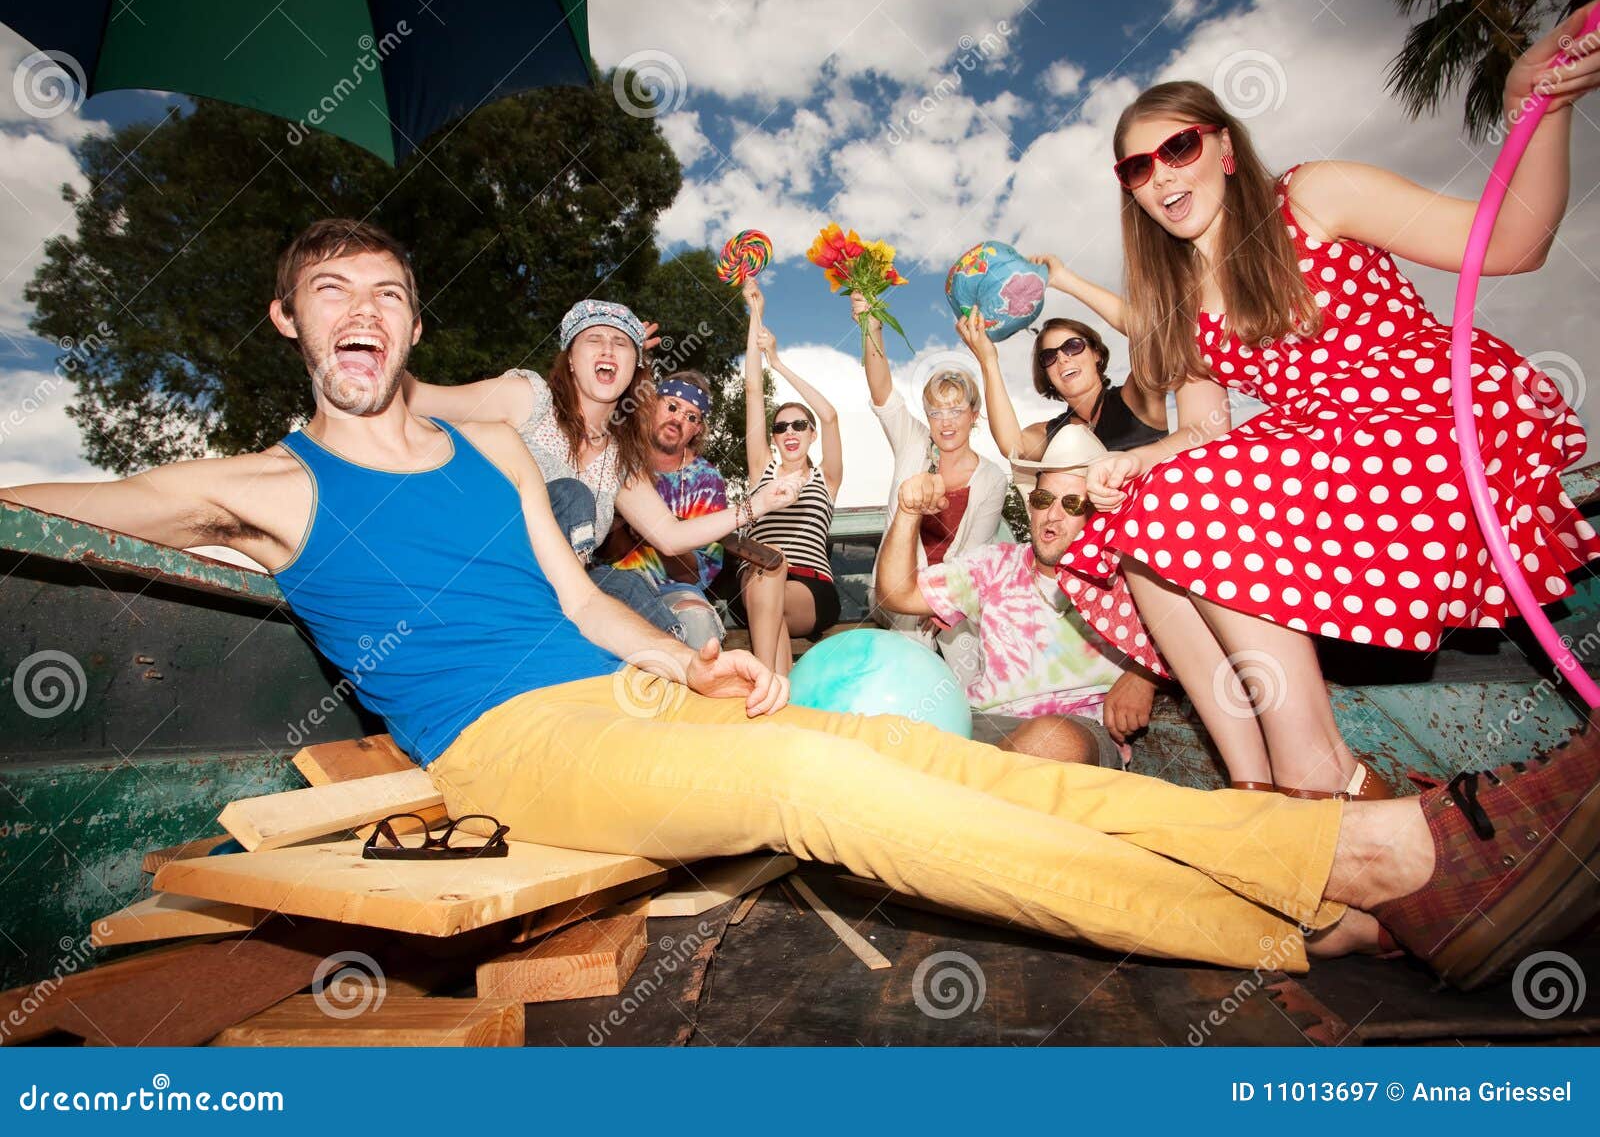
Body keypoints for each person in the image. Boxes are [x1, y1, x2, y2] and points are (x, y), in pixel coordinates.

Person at [7, 216, 1599, 994]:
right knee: (818, 782)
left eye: (389, 293)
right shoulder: (267, 482)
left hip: (619, 698)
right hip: (498, 744)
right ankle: (1363, 865)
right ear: (291, 320)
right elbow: (59, 505)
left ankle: (1308, 891)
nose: (363, 315)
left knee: (935, 761)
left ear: (413, 321)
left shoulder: (489, 458)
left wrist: (690, 667)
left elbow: (588, 597)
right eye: (332, 296)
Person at [1059, 4, 1600, 800]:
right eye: (1137, 168)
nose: (1162, 175)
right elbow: (1206, 432)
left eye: (1177, 147)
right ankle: (1253, 789)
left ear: (1224, 149)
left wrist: (1541, 105)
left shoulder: (1312, 196)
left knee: (1194, 499)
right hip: (1325, 447)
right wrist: (1132, 459)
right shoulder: (1181, 305)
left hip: (1428, 411)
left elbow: (1516, 243)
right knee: (1137, 524)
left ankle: (1322, 774)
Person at [401, 300, 798, 639]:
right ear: (570, 359)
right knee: (571, 496)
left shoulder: (620, 459)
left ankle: (672, 680)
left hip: (572, 594)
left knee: (625, 585)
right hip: (496, 571)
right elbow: (419, 398)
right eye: (594, 339)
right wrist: (376, 347)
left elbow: (673, 536)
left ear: (634, 371)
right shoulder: (527, 400)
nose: (608, 347)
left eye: (621, 343)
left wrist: (755, 505)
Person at [875, 424, 1163, 765]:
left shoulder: (1127, 576)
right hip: (979, 726)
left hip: (1074, 730)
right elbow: (897, 595)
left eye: (1072, 504)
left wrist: (1144, 676)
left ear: (1096, 514)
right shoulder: (993, 565)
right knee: (889, 737)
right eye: (1044, 499)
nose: (1052, 515)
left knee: (1051, 742)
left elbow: (1197, 631)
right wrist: (908, 512)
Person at [852, 292, 1007, 687]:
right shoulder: (913, 444)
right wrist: (871, 325)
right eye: (936, 411)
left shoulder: (992, 479)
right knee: (909, 651)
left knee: (965, 652)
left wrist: (942, 603)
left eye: (956, 409)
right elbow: (882, 392)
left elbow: (973, 556)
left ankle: (971, 726)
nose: (946, 421)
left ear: (974, 415)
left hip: (955, 593)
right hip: (895, 591)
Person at [730, 278, 843, 672]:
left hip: (810, 590)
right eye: (781, 427)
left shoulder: (825, 478)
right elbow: (752, 391)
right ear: (774, 438)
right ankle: (781, 695)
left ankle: (768, 693)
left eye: (799, 425)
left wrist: (777, 362)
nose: (789, 432)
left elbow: (829, 414)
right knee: (764, 585)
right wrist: (754, 313)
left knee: (771, 596)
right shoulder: (762, 469)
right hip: (757, 580)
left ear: (812, 435)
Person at [591, 369, 731, 649]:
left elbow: (695, 574)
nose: (678, 419)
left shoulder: (707, 481)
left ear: (697, 430)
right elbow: (598, 549)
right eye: (672, 406)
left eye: (691, 417)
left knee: (698, 620)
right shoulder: (617, 456)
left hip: (674, 589)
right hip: (610, 581)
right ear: (652, 406)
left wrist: (650, 533)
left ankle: (702, 689)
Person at [958, 308, 1167, 458]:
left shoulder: (1135, 399)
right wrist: (988, 361)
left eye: (1073, 346)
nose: (1062, 359)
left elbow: (1149, 335)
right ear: (1047, 374)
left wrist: (1064, 279)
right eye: (1049, 356)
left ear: (1096, 353)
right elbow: (1014, 448)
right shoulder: (1052, 433)